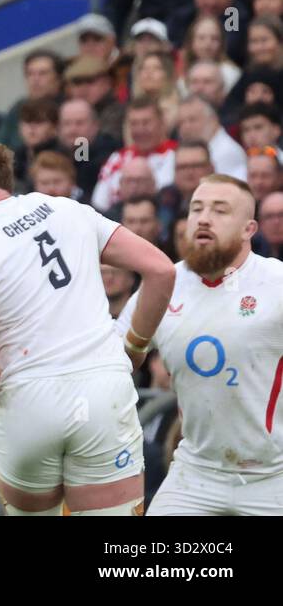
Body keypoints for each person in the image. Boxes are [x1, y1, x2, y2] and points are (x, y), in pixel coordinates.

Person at [0, 138, 175, 516]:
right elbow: (161, 269)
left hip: (31, 403)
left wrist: (3, 375)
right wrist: (133, 346)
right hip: (103, 392)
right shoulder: (67, 209)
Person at [119, 175, 283, 515]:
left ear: (248, 229)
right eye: (197, 209)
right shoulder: (164, 284)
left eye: (220, 210)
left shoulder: (277, 282)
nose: (204, 217)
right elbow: (112, 359)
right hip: (196, 473)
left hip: (273, 477)